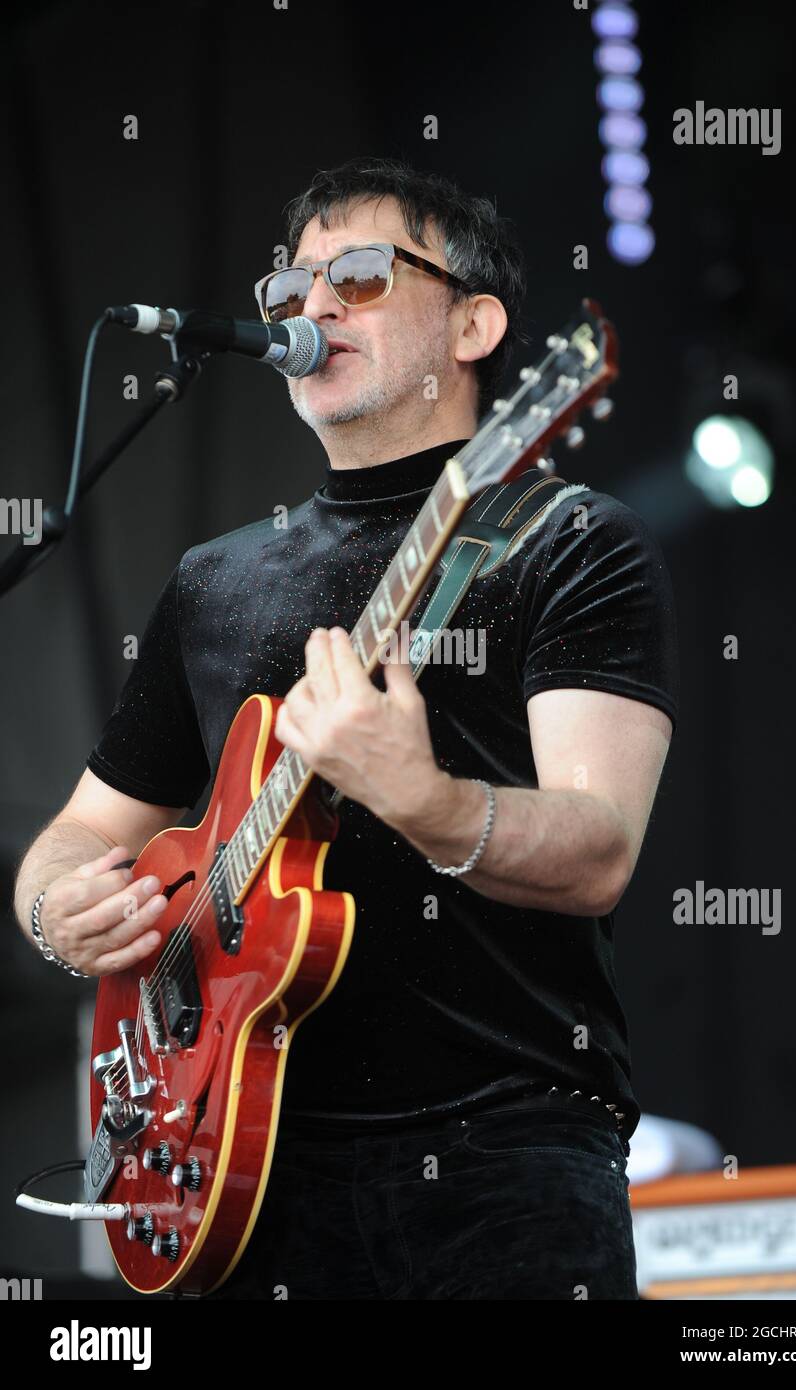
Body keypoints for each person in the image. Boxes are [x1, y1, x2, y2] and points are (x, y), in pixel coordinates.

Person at [13, 156, 678, 1300]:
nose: (311, 308)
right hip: (236, 1166)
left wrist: (421, 797)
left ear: (475, 324)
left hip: (504, 1150)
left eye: (361, 275)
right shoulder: (214, 582)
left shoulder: (567, 538)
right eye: (289, 288)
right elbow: (76, 835)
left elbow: (600, 850)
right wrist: (54, 910)